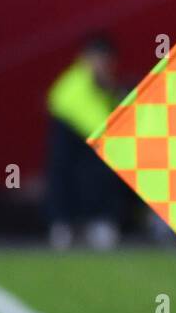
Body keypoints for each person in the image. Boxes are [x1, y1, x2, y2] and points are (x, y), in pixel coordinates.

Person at [44, 36, 125, 250]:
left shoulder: (102, 84)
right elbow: (100, 125)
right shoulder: (76, 83)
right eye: (97, 60)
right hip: (74, 134)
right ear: (85, 59)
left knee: (98, 170)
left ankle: (98, 221)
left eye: (106, 61)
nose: (102, 66)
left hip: (88, 139)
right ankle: (65, 224)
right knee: (70, 171)